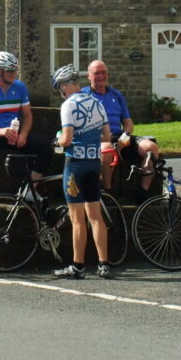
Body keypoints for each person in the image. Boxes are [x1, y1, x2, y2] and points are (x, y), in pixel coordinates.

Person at [51, 65, 112, 280]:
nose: (61, 91)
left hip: (75, 164)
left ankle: (78, 266)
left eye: (60, 87)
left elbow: (66, 139)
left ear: (65, 86)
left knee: (77, 218)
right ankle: (103, 264)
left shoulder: (68, 105)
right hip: (93, 162)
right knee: (95, 216)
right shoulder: (97, 103)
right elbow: (107, 136)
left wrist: (57, 139)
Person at [0, 51, 52, 200]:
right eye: (9, 70)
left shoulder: (20, 87)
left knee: (46, 146)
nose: (14, 73)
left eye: (15, 69)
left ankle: (29, 190)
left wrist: (23, 135)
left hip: (15, 133)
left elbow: (27, 116)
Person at [83, 60, 160, 195]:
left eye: (103, 72)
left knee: (151, 147)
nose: (101, 76)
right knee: (107, 150)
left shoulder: (116, 95)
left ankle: (143, 191)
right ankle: (108, 191)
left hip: (119, 136)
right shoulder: (83, 96)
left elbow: (128, 123)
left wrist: (124, 137)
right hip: (99, 137)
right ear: (89, 76)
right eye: (96, 73)